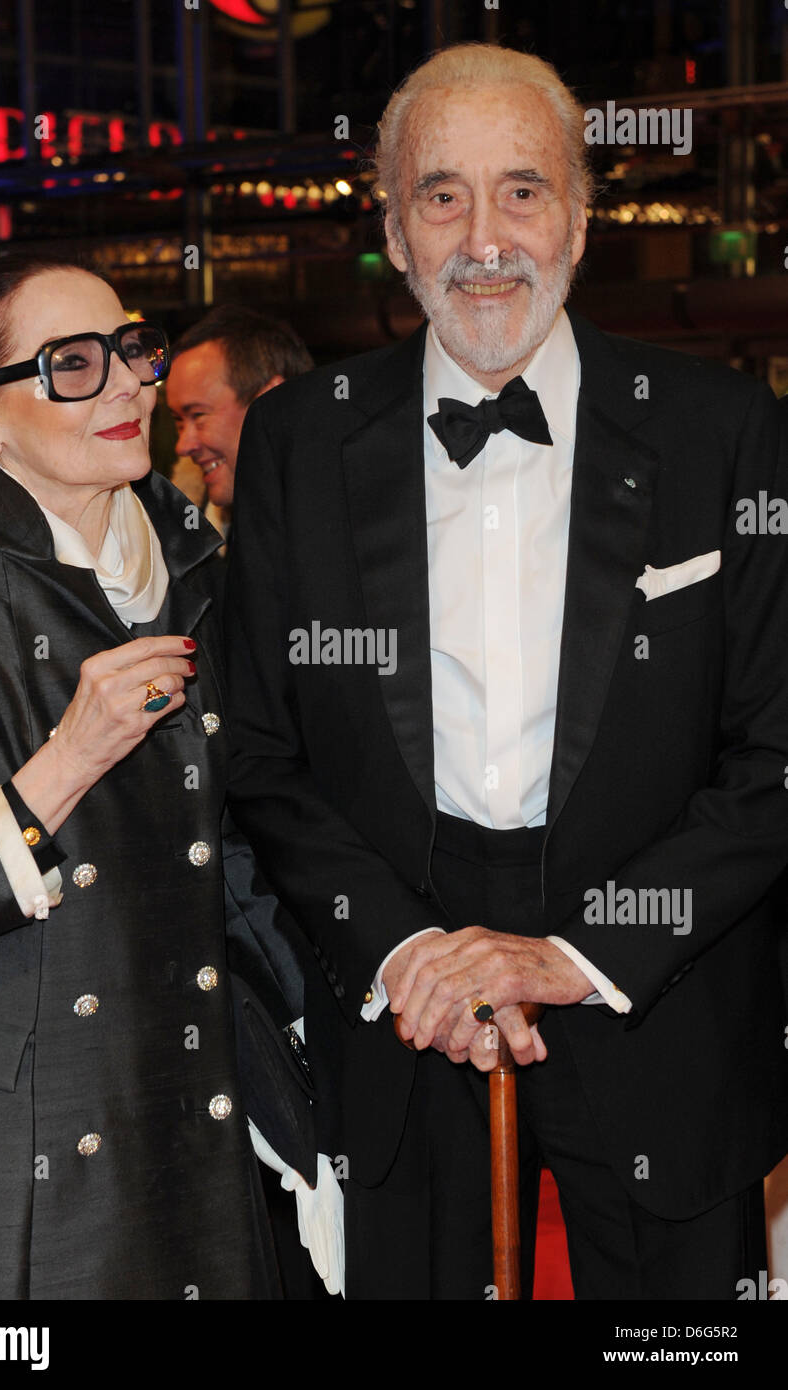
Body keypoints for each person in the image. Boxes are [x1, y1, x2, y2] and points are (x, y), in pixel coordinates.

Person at [224, 42, 788, 1299]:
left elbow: (772, 759)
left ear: (579, 221)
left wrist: (575, 955)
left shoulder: (723, 433)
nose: (484, 237)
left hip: (657, 980)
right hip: (401, 991)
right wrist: (402, 950)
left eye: (521, 190)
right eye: (441, 196)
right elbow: (256, 748)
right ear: (393, 229)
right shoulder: (296, 442)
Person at [0, 251, 280, 1299]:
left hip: (201, 1116)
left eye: (129, 349)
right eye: (69, 364)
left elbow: (260, 857)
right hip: (17, 1164)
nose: (123, 383)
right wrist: (60, 767)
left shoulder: (209, 575)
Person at [166, 304, 314, 516]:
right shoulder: (191, 528)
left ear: (272, 403)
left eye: (198, 415)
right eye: (179, 421)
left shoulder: (358, 525)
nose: (182, 446)